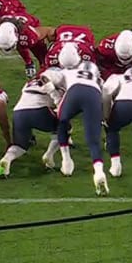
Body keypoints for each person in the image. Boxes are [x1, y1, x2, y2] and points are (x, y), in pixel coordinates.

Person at [41, 49, 109, 195]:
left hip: (75, 91)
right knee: (93, 140)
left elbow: (45, 76)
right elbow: (107, 97)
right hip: (94, 94)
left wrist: (51, 89)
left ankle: (66, 160)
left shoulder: (68, 72)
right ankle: (98, 172)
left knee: (62, 121)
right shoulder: (99, 80)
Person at [0, 74, 62, 177]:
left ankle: (6, 159)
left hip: (19, 112)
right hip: (40, 110)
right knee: (64, 129)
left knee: (20, 145)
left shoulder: (29, 83)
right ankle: (49, 156)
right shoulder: (60, 78)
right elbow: (61, 102)